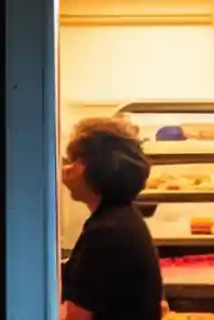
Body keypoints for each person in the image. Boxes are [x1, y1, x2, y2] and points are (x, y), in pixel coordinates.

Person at [60, 117, 164, 320]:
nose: (67, 169)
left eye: (78, 161)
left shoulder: (106, 232)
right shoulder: (119, 218)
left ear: (101, 169)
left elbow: (76, 316)